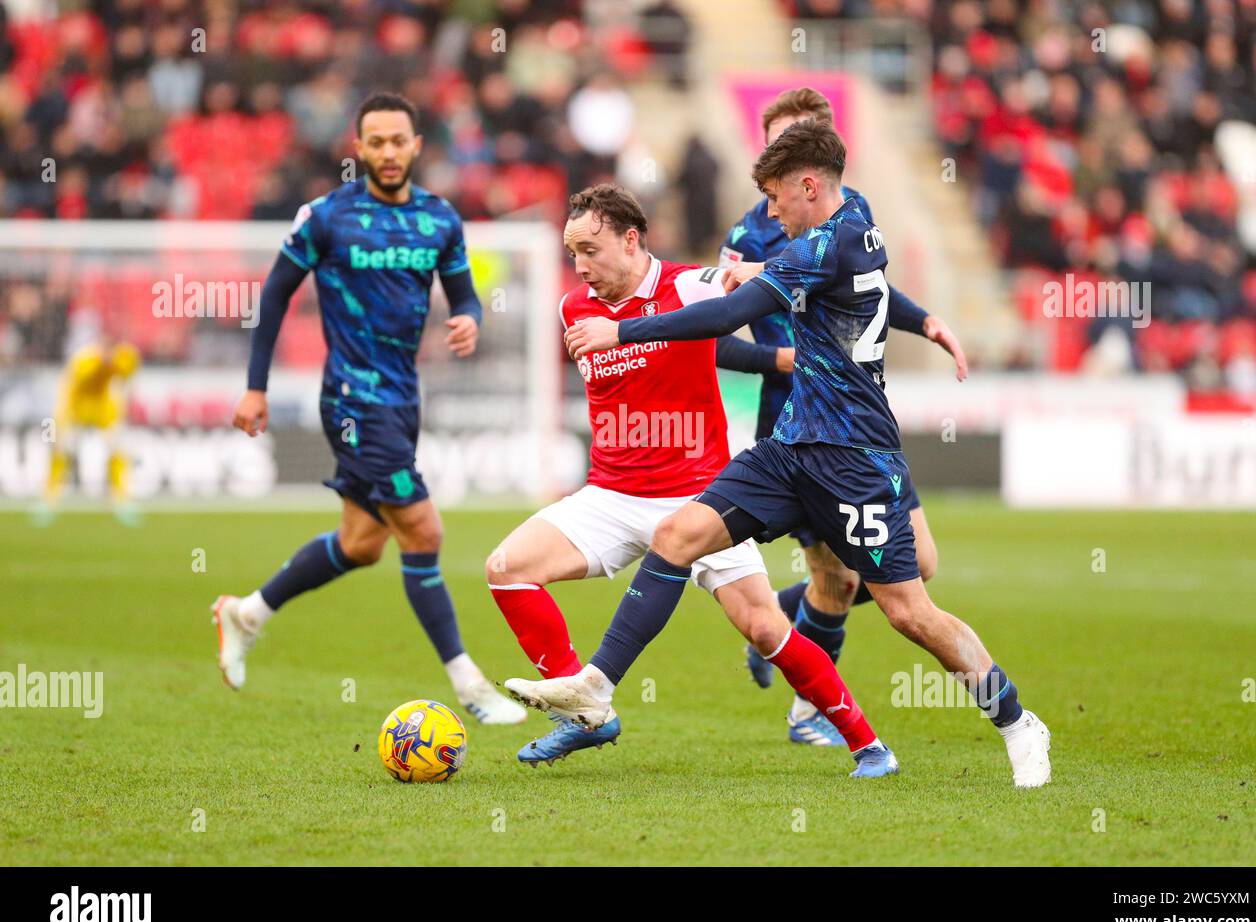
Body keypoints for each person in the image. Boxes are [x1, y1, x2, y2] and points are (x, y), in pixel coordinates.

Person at [510, 121, 1052, 786]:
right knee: (678, 537)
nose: (768, 212)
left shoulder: (825, 243)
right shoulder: (852, 222)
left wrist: (621, 327)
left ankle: (1018, 722)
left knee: (909, 610)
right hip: (789, 447)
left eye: (774, 198)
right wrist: (920, 317)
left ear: (807, 185)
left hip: (853, 455)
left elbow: (717, 321)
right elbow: (830, 278)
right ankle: (597, 687)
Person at [210, 92, 524, 725]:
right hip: (354, 400)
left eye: (397, 141)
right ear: (358, 148)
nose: (387, 152)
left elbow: (465, 296)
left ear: (415, 146)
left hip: (404, 397)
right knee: (424, 531)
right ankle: (470, 686)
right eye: (374, 142)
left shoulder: (440, 220)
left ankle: (247, 613)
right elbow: (272, 299)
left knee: (361, 544)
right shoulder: (326, 218)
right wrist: (255, 386)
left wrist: (467, 318)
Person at [488, 183, 824, 766]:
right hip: (612, 494)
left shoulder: (690, 283)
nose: (580, 266)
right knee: (507, 569)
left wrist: (781, 357)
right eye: (573, 254)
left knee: (766, 629)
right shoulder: (574, 309)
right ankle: (586, 709)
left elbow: (717, 326)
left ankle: (862, 738)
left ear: (630, 239)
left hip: (700, 496)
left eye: (590, 250)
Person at [722, 87, 967, 747]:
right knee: (836, 576)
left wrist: (926, 322)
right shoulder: (748, 235)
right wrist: (790, 362)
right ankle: (810, 712)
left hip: (862, 424)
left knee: (924, 562)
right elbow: (719, 342)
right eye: (786, 135)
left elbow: (873, 287)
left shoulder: (850, 209)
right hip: (796, 427)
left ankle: (775, 620)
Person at [42, 339, 140, 523]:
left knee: (117, 449)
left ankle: (121, 500)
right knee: (61, 450)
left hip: (103, 408)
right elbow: (80, 379)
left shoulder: (121, 357)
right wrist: (102, 365)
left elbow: (128, 374)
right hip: (75, 407)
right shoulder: (84, 359)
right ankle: (50, 499)